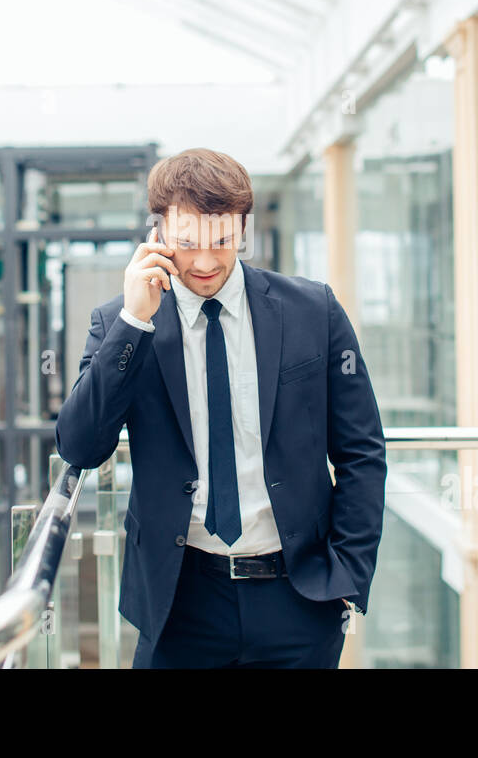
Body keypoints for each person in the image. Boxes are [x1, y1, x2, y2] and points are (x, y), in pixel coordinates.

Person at [55, 148, 387, 668]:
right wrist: (135, 322)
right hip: (179, 601)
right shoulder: (119, 322)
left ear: (243, 229)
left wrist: (346, 576)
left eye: (223, 241)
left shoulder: (312, 311)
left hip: (298, 601)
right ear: (159, 231)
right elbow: (80, 446)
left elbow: (362, 452)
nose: (206, 262)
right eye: (187, 244)